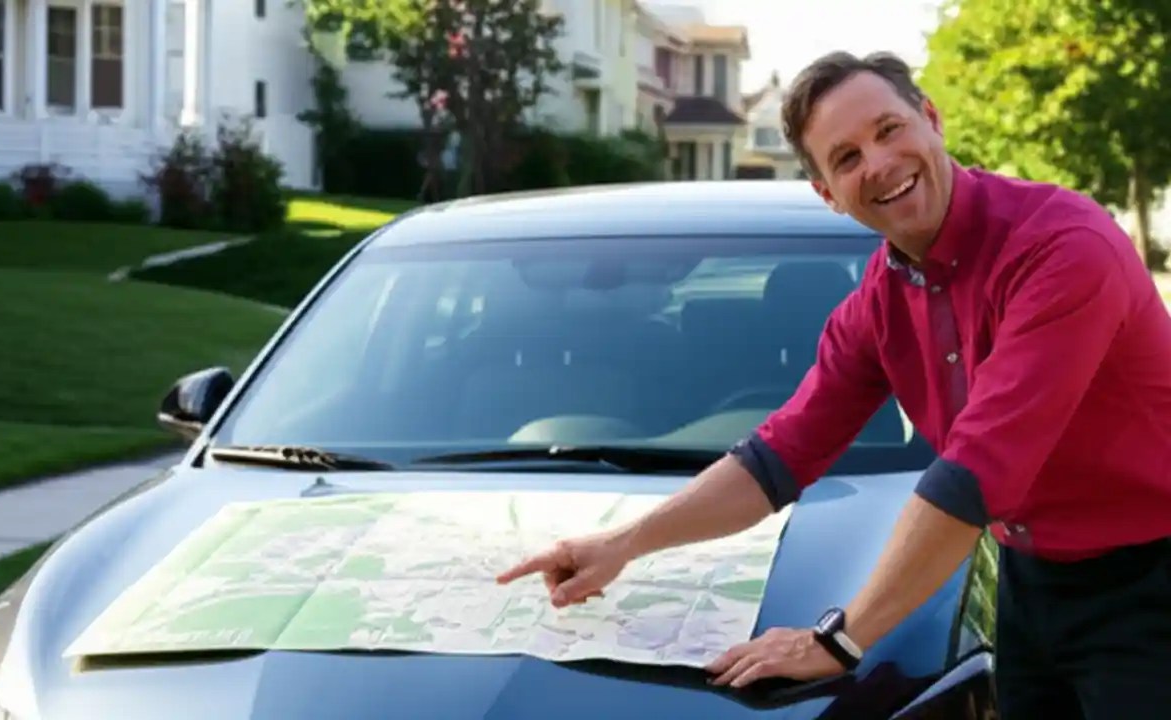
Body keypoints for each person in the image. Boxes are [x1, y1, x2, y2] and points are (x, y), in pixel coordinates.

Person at [495, 50, 1171, 719]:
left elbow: (974, 474)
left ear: (931, 120)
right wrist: (621, 545)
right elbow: (777, 456)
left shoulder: (1062, 248)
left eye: (889, 130)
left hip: (1150, 581)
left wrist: (840, 640)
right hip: (1032, 583)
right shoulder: (883, 296)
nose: (877, 163)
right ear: (828, 194)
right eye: (846, 159)